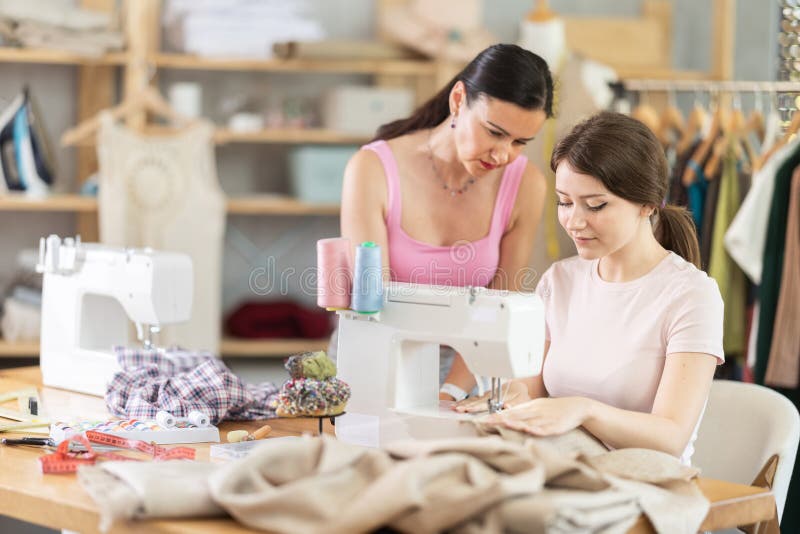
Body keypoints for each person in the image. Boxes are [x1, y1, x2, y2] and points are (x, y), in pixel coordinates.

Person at [456, 112, 724, 466]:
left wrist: (583, 411)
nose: (574, 221)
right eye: (565, 202)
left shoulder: (691, 296)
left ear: (647, 203)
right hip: (564, 467)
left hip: (643, 479)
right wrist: (501, 397)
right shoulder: (559, 282)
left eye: (595, 205)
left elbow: (671, 436)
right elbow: (531, 390)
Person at [340, 44, 553, 400]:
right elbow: (371, 308)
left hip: (470, 367)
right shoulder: (372, 169)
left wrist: (450, 392)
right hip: (377, 353)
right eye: (495, 132)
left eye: (520, 142)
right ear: (458, 100)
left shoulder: (525, 186)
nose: (503, 154)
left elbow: (501, 311)